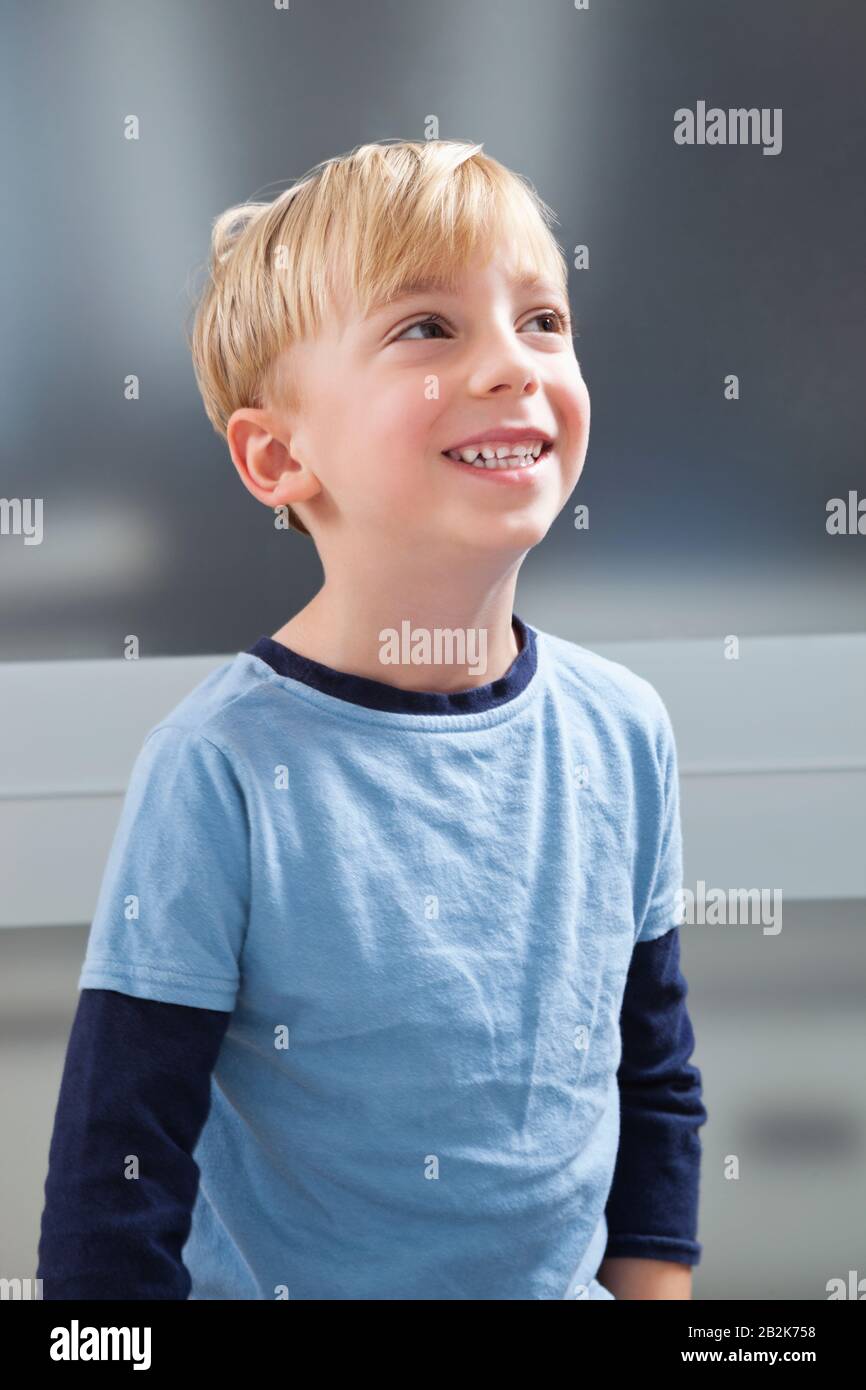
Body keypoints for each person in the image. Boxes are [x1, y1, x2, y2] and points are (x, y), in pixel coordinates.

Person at [37, 139, 706, 1300]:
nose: (510, 364)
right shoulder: (220, 769)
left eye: (541, 319)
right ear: (278, 456)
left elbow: (652, 1084)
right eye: (426, 329)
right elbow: (115, 1171)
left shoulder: (625, 731)